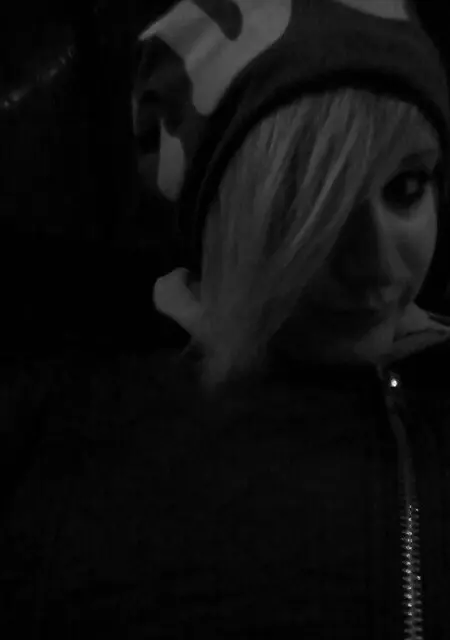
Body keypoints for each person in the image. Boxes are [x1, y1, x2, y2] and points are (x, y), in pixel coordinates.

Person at [2, 0, 450, 638]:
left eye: (406, 188)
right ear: (221, 214)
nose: (375, 262)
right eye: (309, 202)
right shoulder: (67, 436)